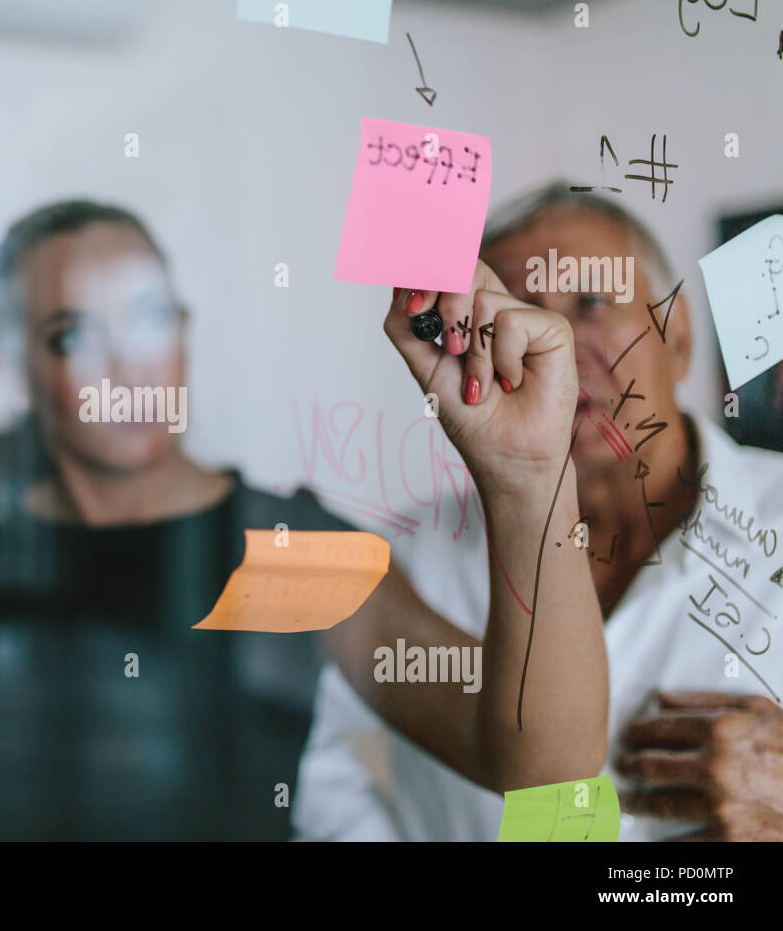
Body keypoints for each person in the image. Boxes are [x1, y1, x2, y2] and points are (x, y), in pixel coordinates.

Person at [0, 199, 610, 840]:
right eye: (72, 334)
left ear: (186, 331)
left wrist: (529, 478)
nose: (128, 366)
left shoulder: (291, 550)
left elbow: (545, 770)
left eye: (150, 317)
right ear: (12, 367)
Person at [294, 182, 783, 842]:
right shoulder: (404, 560)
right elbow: (334, 786)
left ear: (680, 335)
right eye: (516, 315)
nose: (555, 342)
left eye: (589, 302)